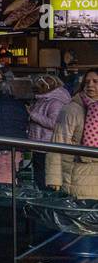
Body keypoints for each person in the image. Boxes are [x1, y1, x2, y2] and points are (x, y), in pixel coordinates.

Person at [46, 69, 98, 200]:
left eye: (95, 81)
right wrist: (54, 178)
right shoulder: (72, 109)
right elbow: (58, 142)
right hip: (79, 176)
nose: (90, 85)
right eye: (87, 82)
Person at [28, 74, 72, 189]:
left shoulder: (55, 102)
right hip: (39, 144)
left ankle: (46, 202)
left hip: (47, 145)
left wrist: (33, 115)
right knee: (40, 177)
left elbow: (55, 124)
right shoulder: (42, 99)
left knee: (45, 179)